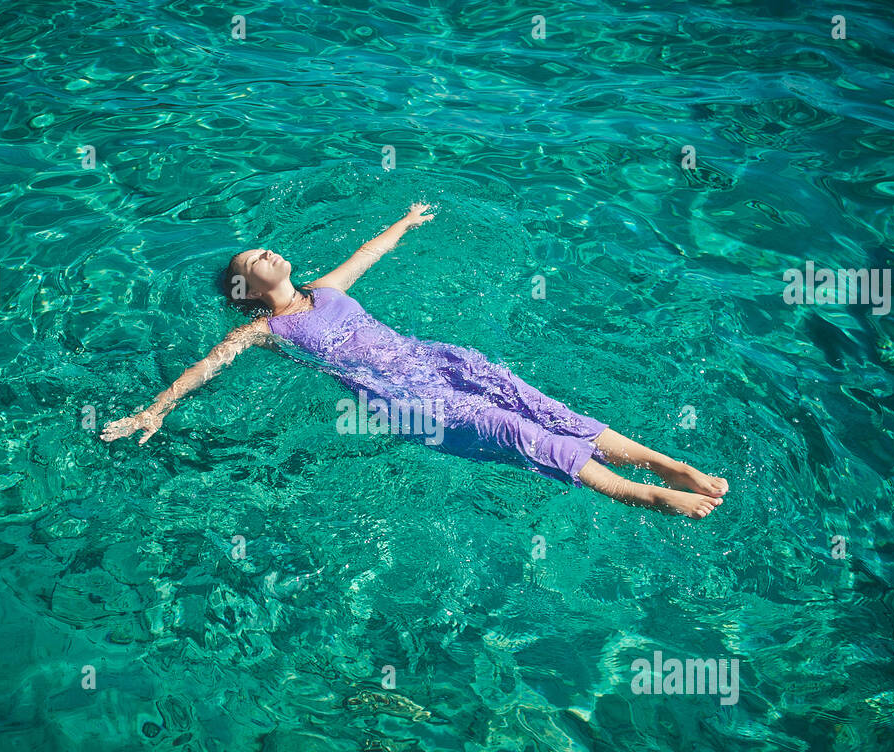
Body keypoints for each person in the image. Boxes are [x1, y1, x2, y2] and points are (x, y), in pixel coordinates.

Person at [102, 204, 729, 518]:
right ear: (244, 292)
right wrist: (154, 410)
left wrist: (405, 221)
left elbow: (366, 253)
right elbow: (206, 366)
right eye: (250, 261)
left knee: (537, 405)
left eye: (263, 248)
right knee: (514, 432)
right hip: (405, 400)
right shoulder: (264, 331)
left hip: (437, 359)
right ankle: (642, 495)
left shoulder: (324, 288)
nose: (263, 252)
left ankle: (663, 462)